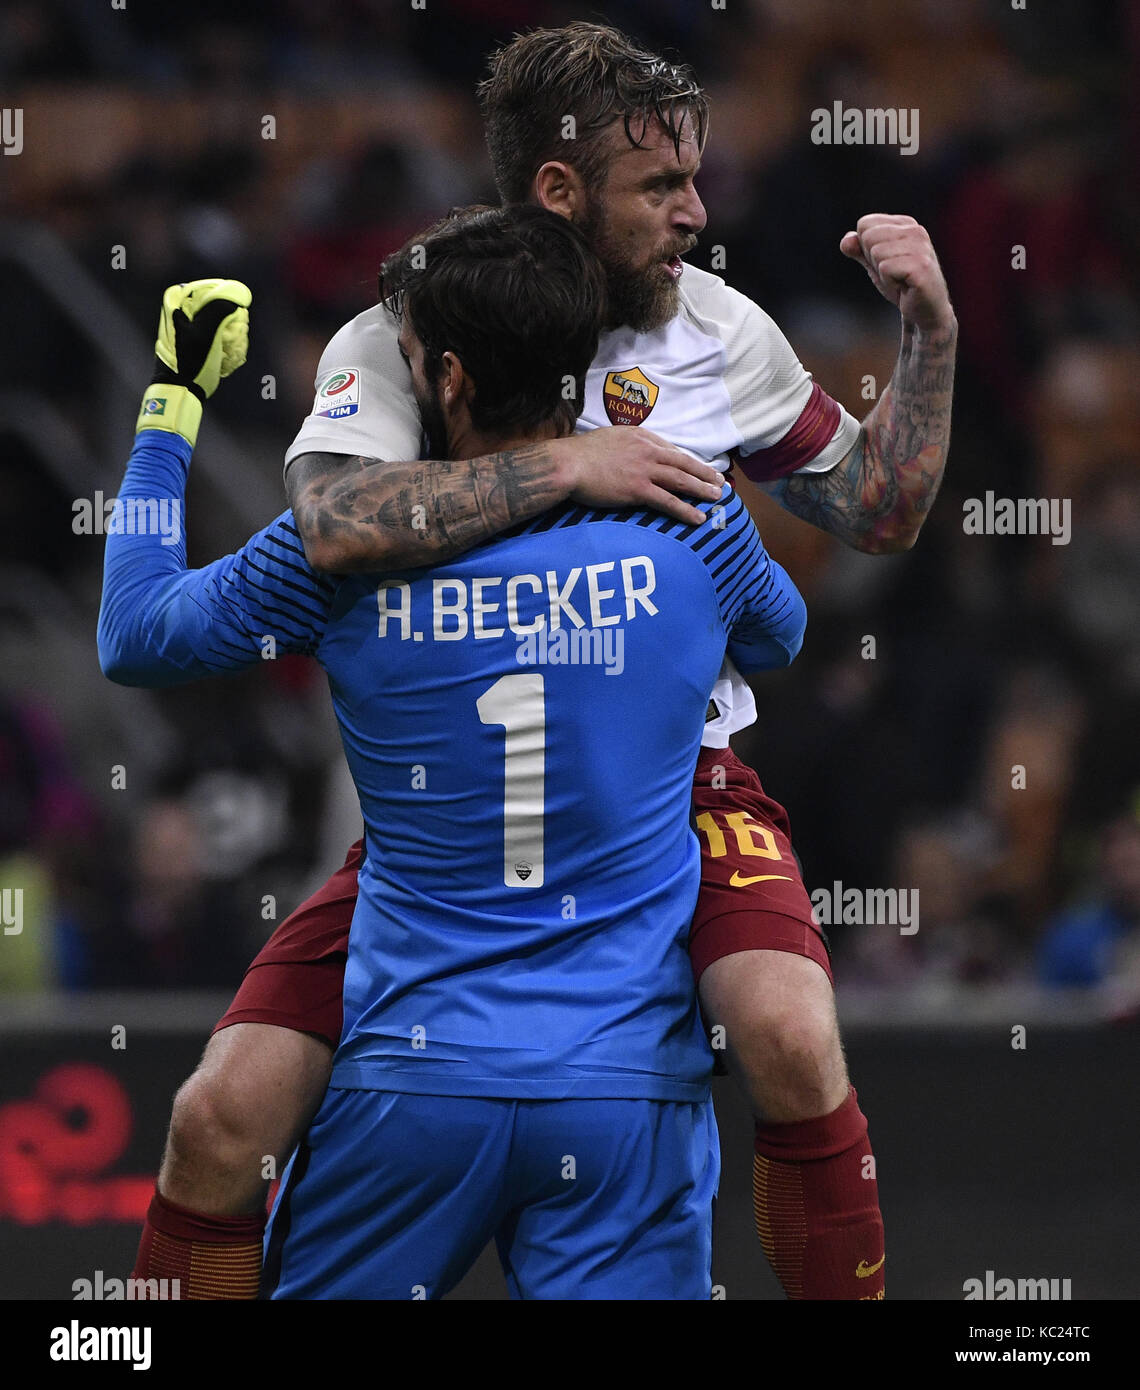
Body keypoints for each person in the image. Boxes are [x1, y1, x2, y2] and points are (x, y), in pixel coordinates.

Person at [132, 21, 956, 1301]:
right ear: (561, 191)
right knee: (217, 1114)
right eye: (663, 188)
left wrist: (932, 343)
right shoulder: (405, 328)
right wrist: (573, 466)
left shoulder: (718, 330)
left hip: (681, 779)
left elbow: (879, 511)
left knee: (793, 1034)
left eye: (696, 179)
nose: (697, 212)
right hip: (453, 800)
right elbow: (337, 528)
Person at [99, 205, 807, 1297]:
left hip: (413, 1092)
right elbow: (782, 633)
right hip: (622, 1100)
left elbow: (135, 634)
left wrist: (170, 408)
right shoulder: (693, 522)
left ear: (450, 381)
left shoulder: (339, 555)